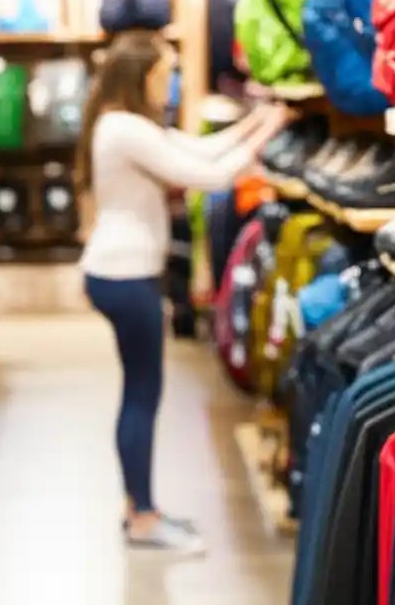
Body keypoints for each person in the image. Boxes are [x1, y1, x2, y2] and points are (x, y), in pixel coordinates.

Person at [77, 31, 294, 553]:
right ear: (140, 76)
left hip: (120, 273)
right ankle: (144, 518)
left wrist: (260, 120)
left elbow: (197, 146)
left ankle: (139, 509)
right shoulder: (125, 128)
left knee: (139, 393)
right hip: (124, 276)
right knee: (141, 396)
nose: (169, 84)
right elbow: (209, 173)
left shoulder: (122, 123)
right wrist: (270, 131)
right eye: (163, 73)